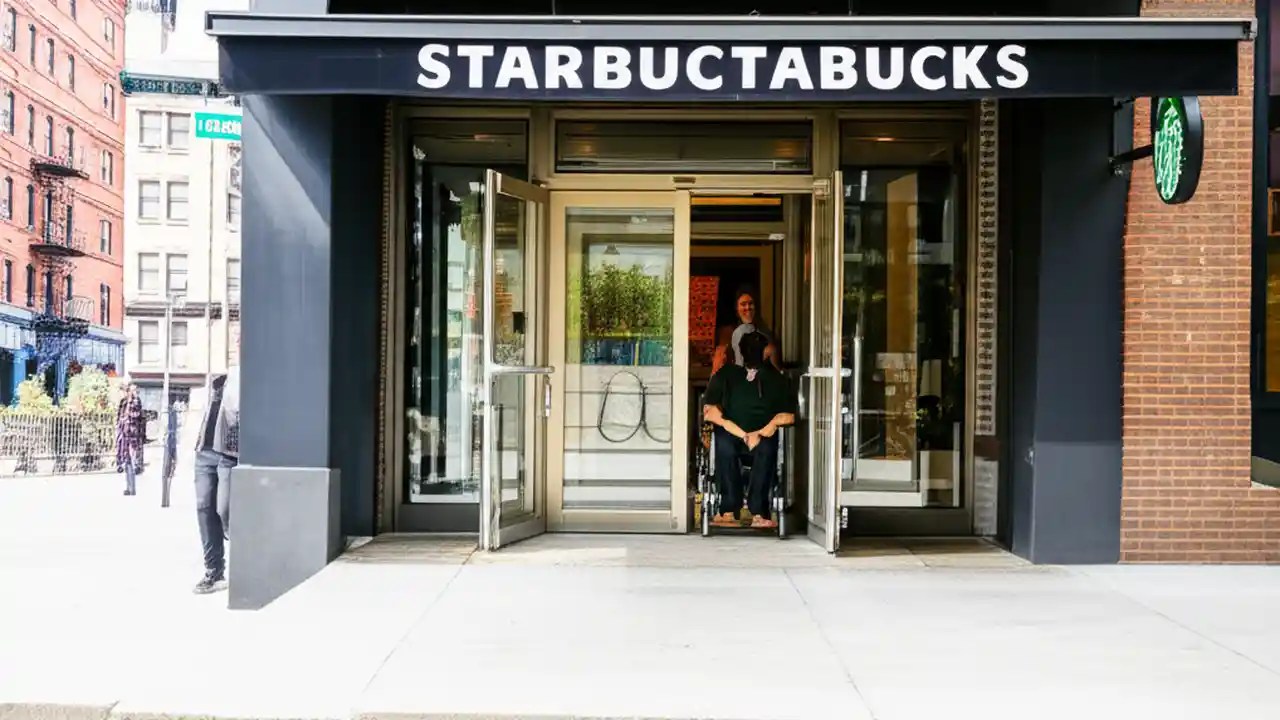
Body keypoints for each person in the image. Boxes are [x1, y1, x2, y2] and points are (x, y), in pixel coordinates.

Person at [703, 331, 796, 529]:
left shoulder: (776, 379)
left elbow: (790, 415)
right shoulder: (727, 374)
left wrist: (766, 429)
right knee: (725, 445)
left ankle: (759, 511)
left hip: (763, 435)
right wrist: (744, 434)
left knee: (767, 446)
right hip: (733, 433)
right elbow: (710, 412)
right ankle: (728, 509)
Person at [192, 366, 239, 594]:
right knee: (204, 509)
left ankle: (244, 566)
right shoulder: (216, 378)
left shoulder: (243, 377)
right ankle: (214, 572)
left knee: (224, 510)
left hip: (228, 454)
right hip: (204, 451)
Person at [727, 287, 781, 370]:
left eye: (751, 303)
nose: (748, 307)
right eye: (743, 304)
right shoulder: (738, 332)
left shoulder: (764, 330)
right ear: (737, 309)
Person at [114, 383, 145, 496]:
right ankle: (128, 487)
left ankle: (132, 488)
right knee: (126, 460)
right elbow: (119, 416)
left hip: (133, 434)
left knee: (132, 460)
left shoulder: (136, 402)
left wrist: (127, 418)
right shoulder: (123, 402)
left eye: (134, 390)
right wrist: (120, 424)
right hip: (124, 433)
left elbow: (137, 416)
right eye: (130, 390)